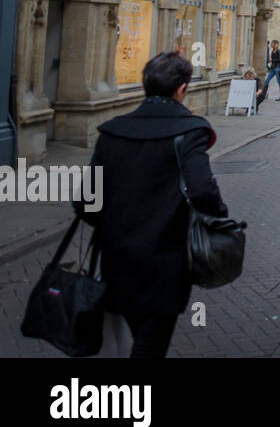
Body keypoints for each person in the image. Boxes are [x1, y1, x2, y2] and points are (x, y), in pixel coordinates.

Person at [77, 52, 229, 357]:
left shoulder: (112, 130)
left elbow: (86, 204)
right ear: (183, 89)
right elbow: (203, 192)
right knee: (151, 344)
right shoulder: (189, 131)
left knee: (135, 338)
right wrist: (219, 220)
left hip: (117, 258)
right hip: (165, 261)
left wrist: (115, 225)